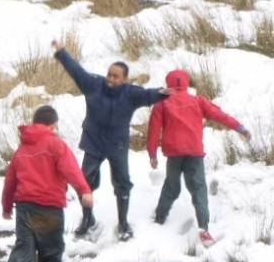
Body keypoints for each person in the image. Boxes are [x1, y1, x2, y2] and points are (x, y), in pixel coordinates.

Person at [52, 42, 166, 241]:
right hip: (93, 142)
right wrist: (61, 53)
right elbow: (76, 70)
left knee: (122, 183)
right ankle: (88, 219)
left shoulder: (131, 93)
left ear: (124, 79)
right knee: (83, 181)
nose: (111, 79)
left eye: (116, 76)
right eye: (109, 75)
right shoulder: (93, 84)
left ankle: (123, 223)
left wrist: (162, 94)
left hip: (117, 145)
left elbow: (149, 95)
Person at [0, 104, 93, 262]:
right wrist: (84, 190)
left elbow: (10, 182)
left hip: (24, 208)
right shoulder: (56, 145)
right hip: (50, 208)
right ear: (52, 125)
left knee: (23, 254)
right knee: (52, 252)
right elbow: (71, 169)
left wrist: (6, 207)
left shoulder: (21, 150)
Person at [148, 68, 249, 245]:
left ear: (168, 83)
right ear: (187, 83)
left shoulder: (161, 104)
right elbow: (220, 115)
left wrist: (152, 154)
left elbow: (153, 131)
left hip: (174, 154)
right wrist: (239, 127)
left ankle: (159, 219)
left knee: (172, 186)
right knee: (199, 189)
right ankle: (204, 227)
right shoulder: (197, 101)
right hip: (194, 153)